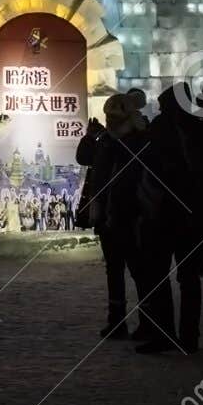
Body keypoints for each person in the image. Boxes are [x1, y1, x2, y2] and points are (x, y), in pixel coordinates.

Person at [131, 86, 203, 354]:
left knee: (157, 275)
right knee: (189, 278)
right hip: (193, 213)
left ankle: (164, 334)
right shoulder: (200, 129)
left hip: (163, 213)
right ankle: (190, 336)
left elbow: (148, 168)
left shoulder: (161, 128)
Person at [76, 93, 147, 338]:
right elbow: (83, 158)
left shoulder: (137, 139)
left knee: (139, 270)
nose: (110, 123)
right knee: (114, 270)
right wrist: (89, 136)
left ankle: (147, 322)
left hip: (130, 214)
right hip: (107, 214)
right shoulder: (106, 139)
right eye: (109, 119)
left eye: (115, 119)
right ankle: (117, 321)